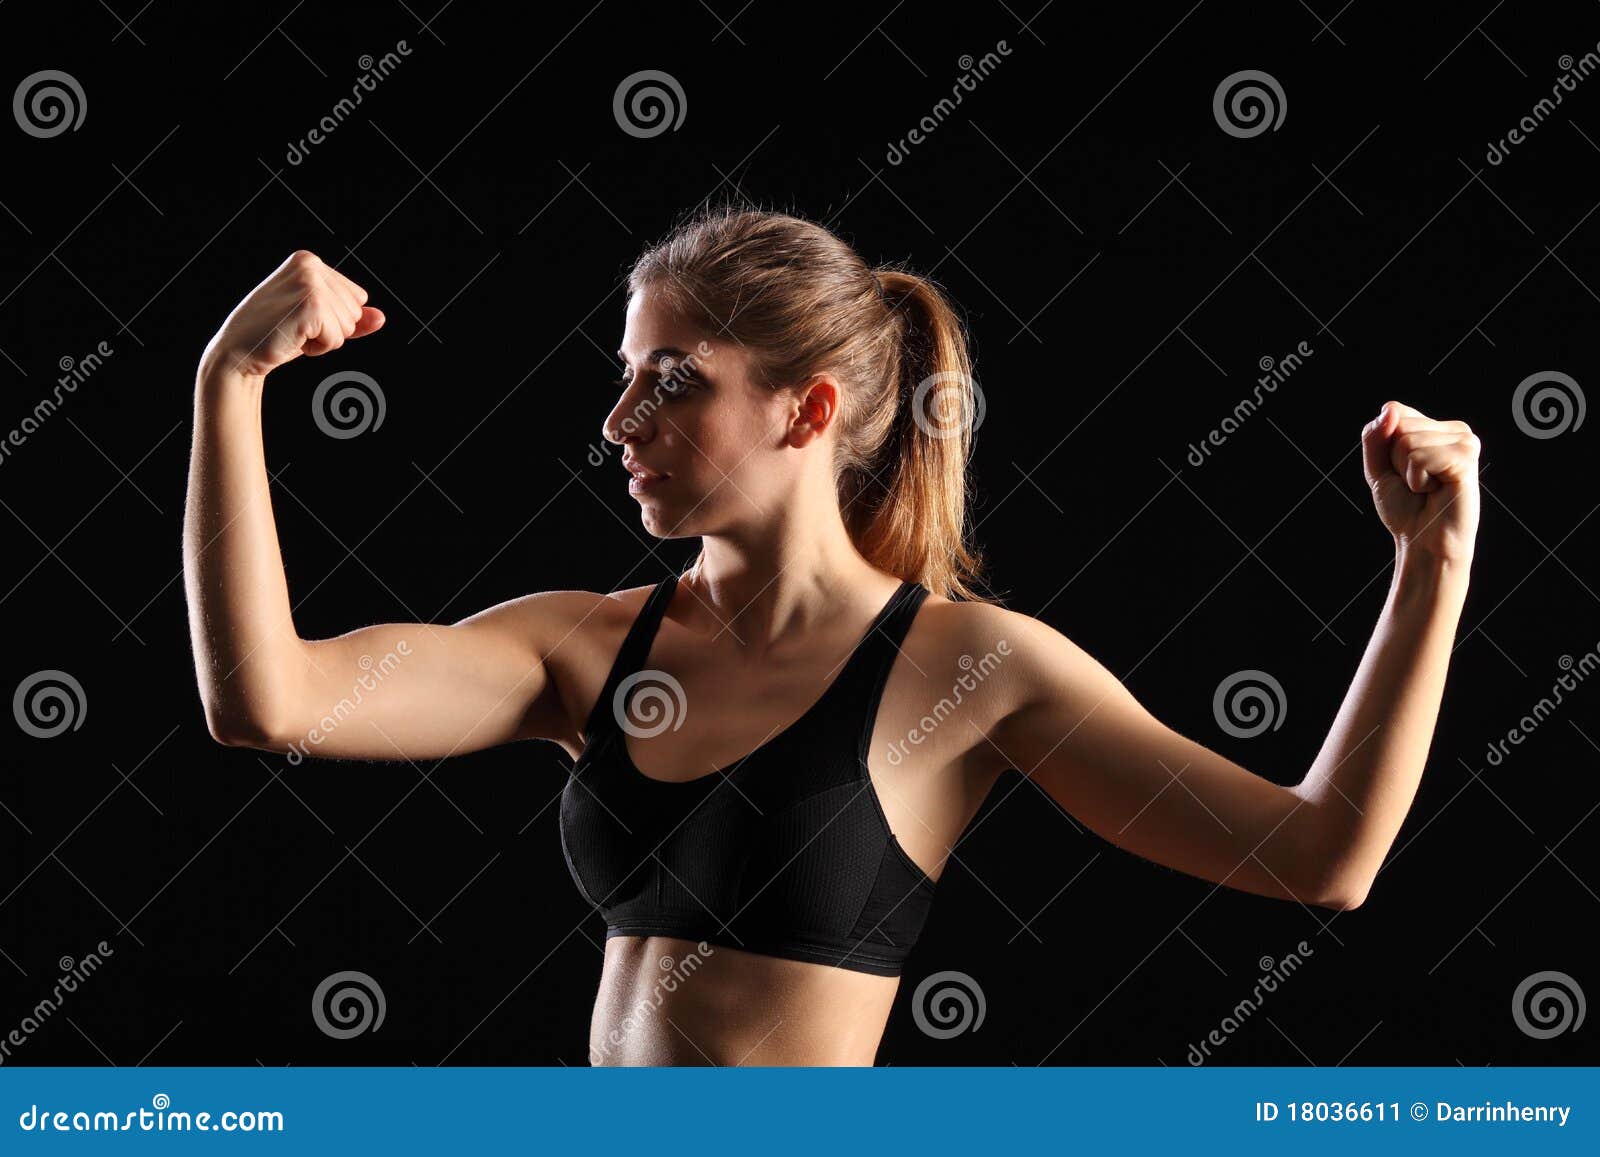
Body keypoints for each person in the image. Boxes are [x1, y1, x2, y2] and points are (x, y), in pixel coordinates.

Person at [184, 206, 1481, 1066]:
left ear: (805, 412)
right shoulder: (582, 648)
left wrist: (1432, 561)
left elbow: (1322, 855)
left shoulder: (969, 670)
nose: (619, 421)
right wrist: (229, 383)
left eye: (672, 380)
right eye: (624, 375)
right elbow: (268, 700)